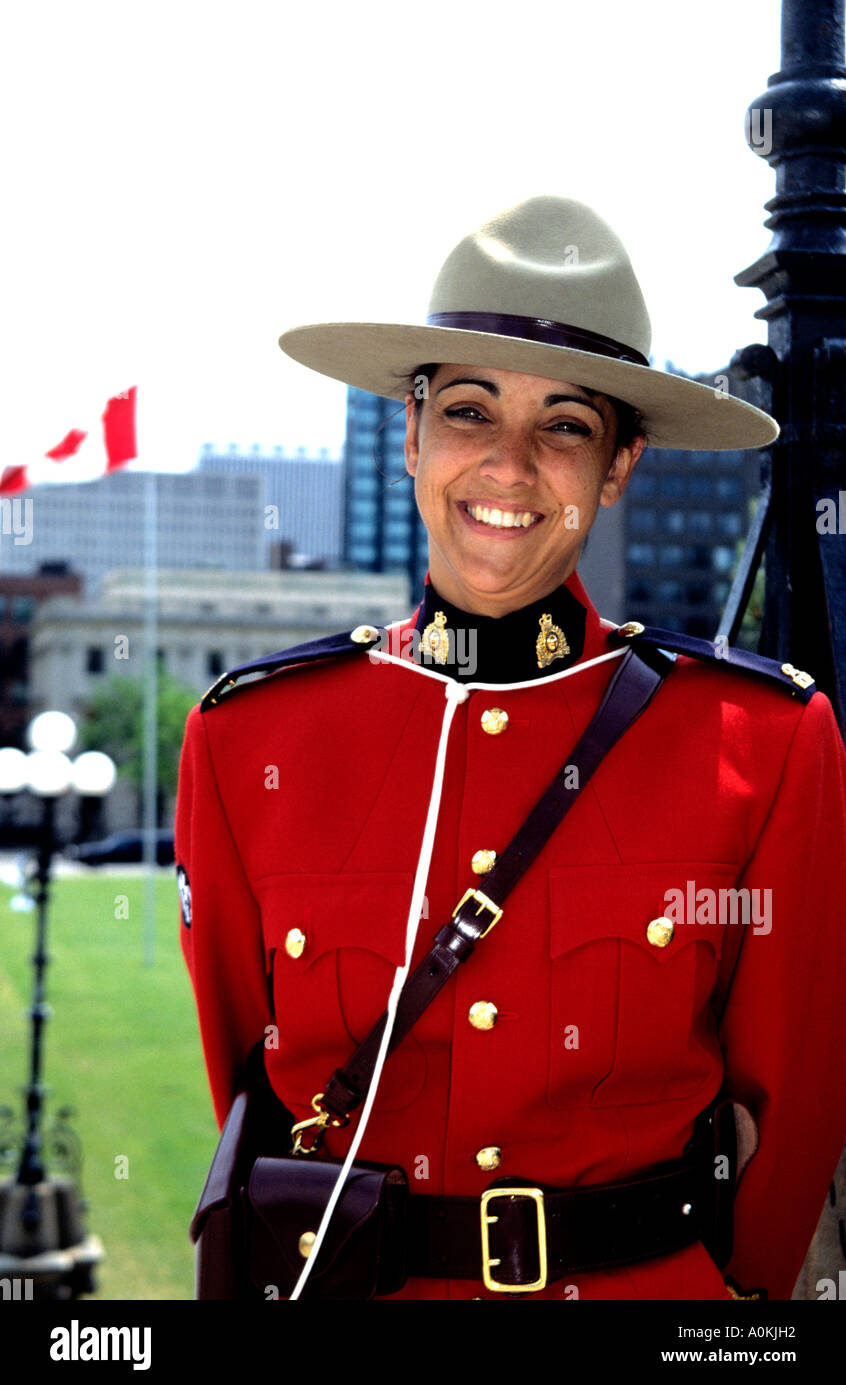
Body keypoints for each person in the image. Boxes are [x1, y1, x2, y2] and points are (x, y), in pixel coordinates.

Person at [176, 196, 846, 1301]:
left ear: (618, 468)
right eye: (469, 411)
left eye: (566, 427)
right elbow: (250, 1084)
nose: (510, 463)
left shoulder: (760, 743)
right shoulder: (249, 740)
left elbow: (792, 1113)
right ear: (411, 436)